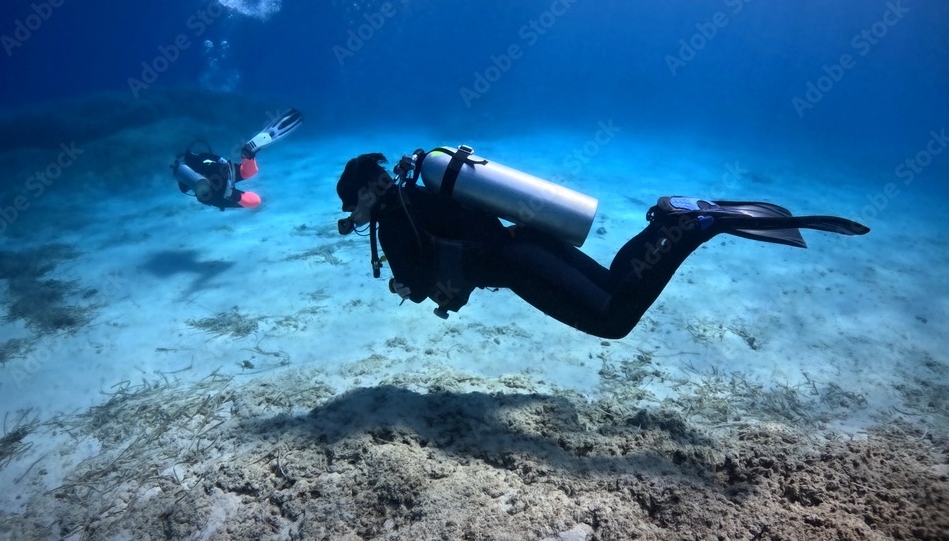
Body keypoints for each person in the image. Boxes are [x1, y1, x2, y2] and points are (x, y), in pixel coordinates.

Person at [335, 146, 869, 339]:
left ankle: (691, 225)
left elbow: (431, 275)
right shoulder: (418, 192)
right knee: (615, 287)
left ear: (363, 194)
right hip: (525, 239)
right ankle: (674, 222)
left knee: (612, 320)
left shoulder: (392, 222)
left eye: (352, 203)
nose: (354, 214)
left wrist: (409, 286)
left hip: (515, 263)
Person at [172, 108, 303, 210]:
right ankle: (248, 155)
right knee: (248, 172)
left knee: (254, 201)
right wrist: (224, 164)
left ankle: (233, 194)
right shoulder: (200, 157)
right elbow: (216, 158)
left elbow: (192, 192)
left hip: (218, 192)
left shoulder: (187, 179)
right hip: (222, 169)